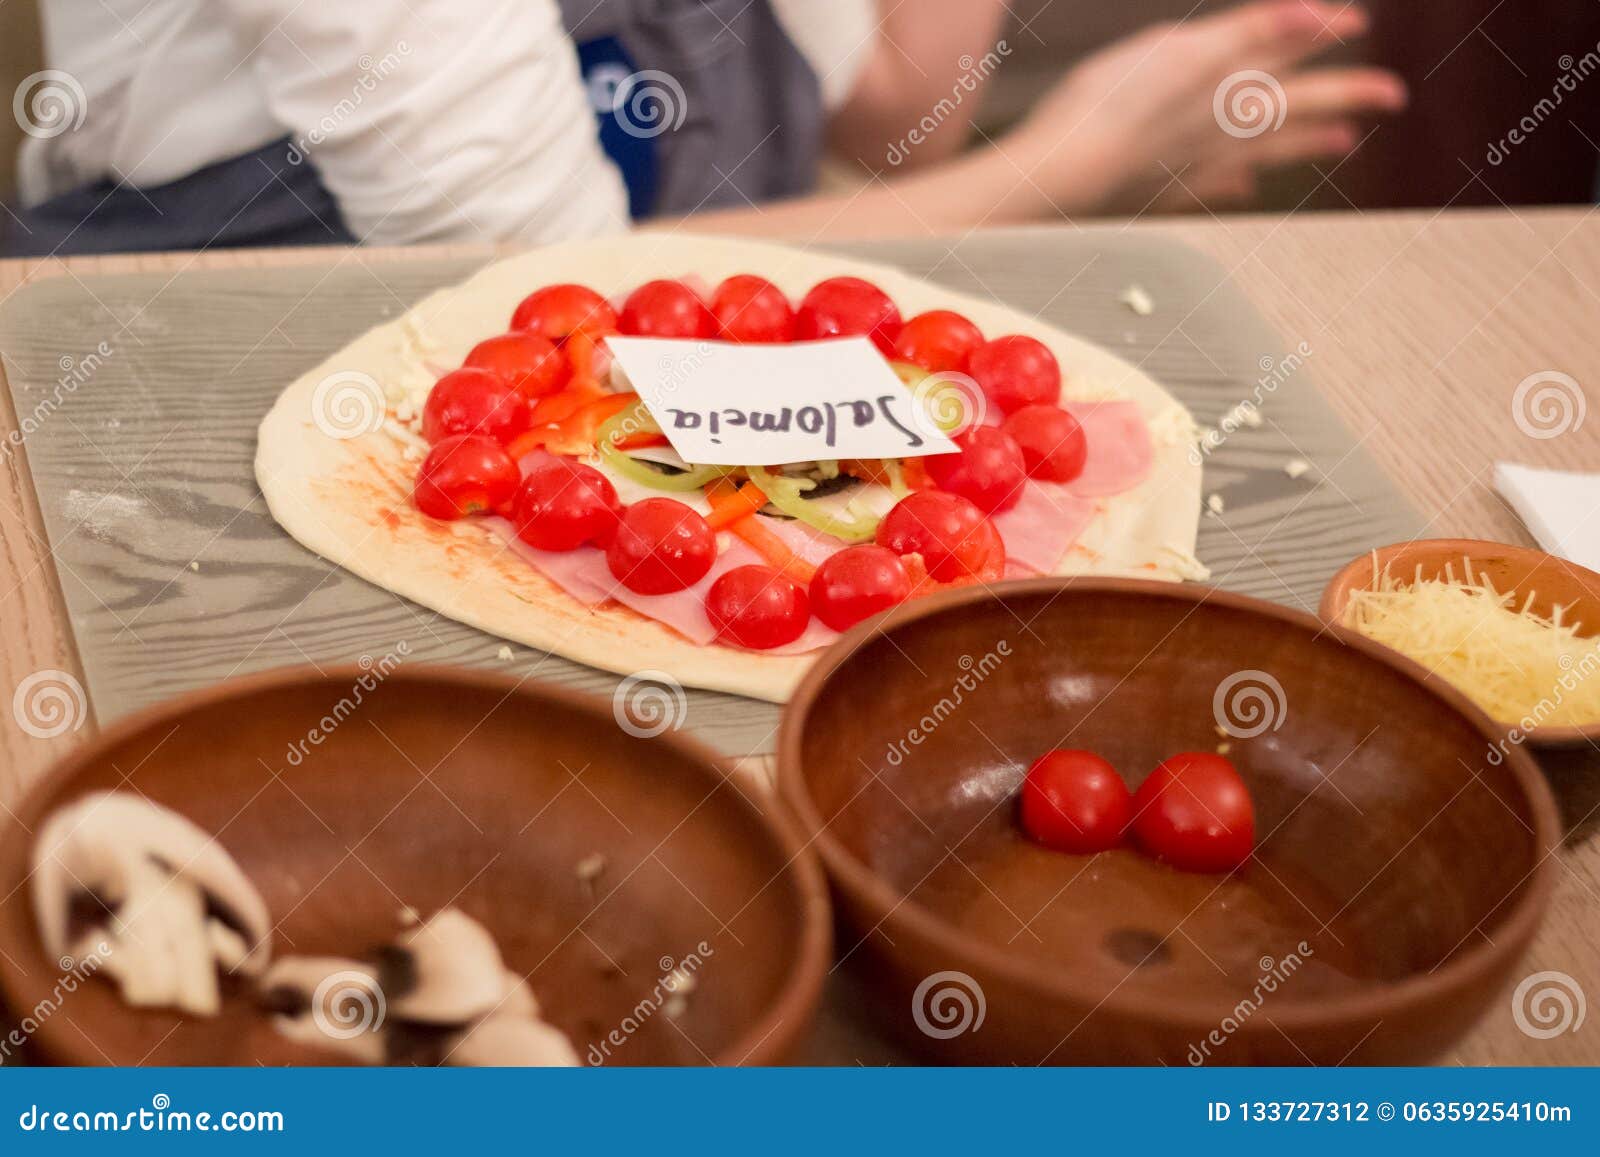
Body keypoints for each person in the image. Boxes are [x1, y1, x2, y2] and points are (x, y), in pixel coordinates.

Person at [3, 0, 1405, 256]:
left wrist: (1023, 181)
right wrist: (1065, 173)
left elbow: (897, 115)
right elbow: (518, 284)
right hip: (232, 353)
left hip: (682, 396)